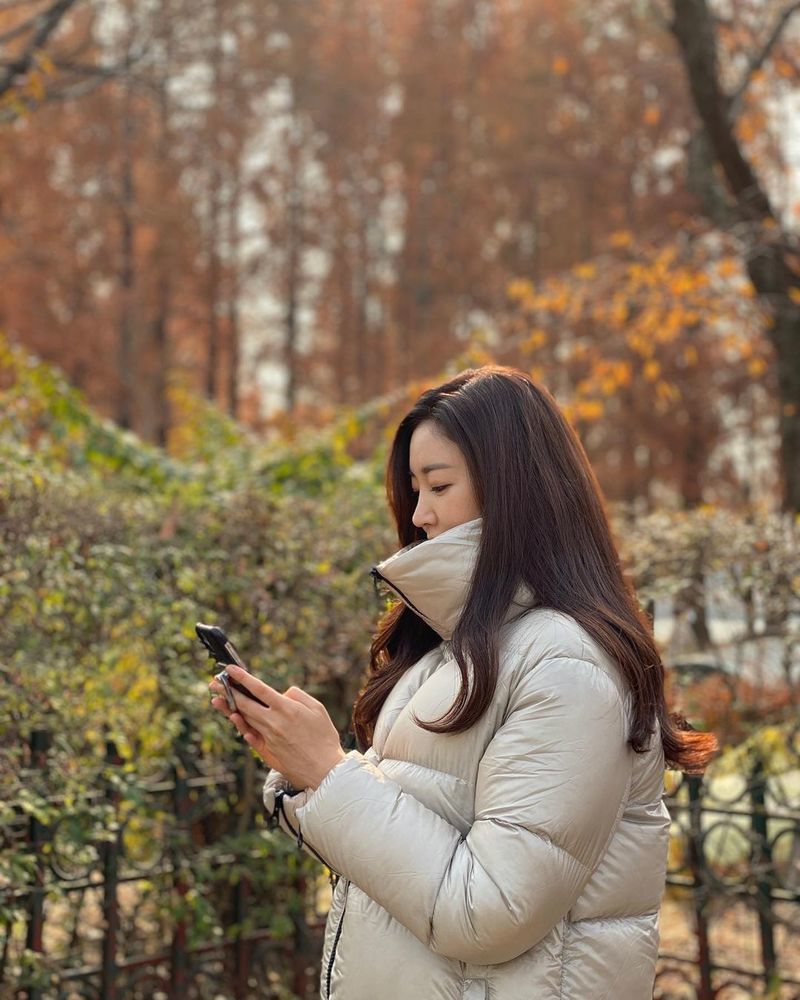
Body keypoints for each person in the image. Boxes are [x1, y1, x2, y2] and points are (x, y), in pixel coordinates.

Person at [210, 365, 717, 1000]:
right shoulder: (449, 654)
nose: (419, 514)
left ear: (513, 489)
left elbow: (490, 911)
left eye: (438, 485)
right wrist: (310, 766)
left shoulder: (568, 664)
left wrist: (330, 774)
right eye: (413, 489)